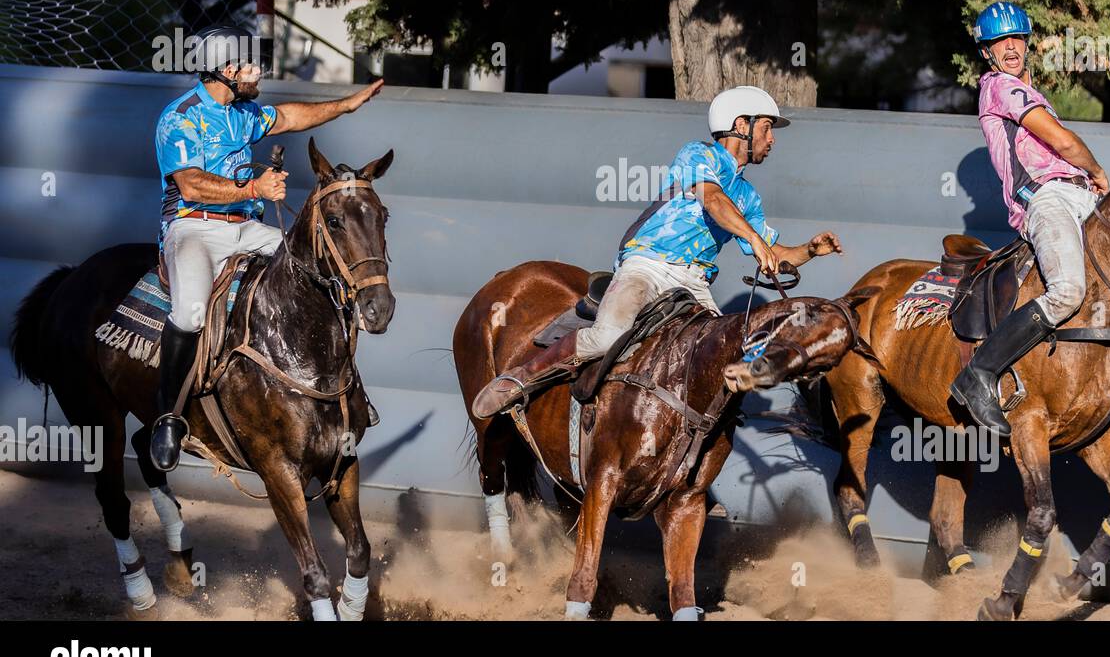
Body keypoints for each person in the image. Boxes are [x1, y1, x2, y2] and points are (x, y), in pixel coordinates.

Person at [472, 85, 844, 419]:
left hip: (694, 282)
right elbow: (712, 199)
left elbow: (775, 254)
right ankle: (521, 378)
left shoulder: (748, 197)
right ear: (740, 125)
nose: (771, 139)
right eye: (766, 127)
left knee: (721, 359)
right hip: (647, 266)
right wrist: (756, 240)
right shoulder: (699, 154)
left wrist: (808, 250)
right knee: (606, 337)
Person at [949, 2, 1110, 456]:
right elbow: (1060, 141)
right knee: (1067, 292)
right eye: (1000, 41)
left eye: (1017, 38)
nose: (1011, 47)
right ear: (987, 53)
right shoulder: (1000, 88)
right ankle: (978, 373)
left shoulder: (1027, 90)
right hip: (1046, 199)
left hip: (1078, 198)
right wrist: (1096, 168)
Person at [149, 26, 384, 471]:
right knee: (191, 313)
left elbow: (294, 117)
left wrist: (348, 105)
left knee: (320, 273)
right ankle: (167, 417)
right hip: (193, 228)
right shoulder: (179, 117)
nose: (260, 73)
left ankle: (353, 389)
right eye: (252, 65)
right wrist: (253, 185)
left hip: (246, 227)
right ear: (228, 70)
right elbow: (191, 184)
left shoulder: (243, 112)